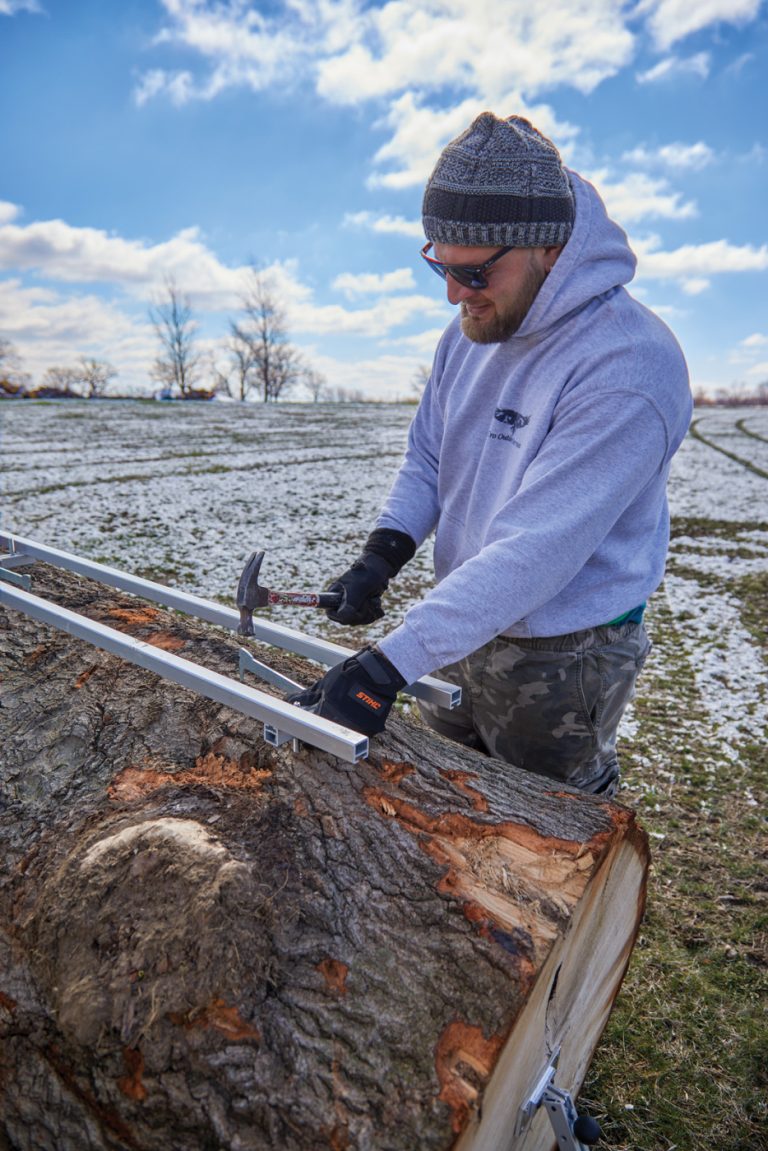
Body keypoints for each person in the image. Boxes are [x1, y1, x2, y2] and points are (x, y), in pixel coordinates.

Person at [289, 112, 692, 797]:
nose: (455, 296)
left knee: (554, 825)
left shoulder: (629, 364)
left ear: (550, 250)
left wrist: (391, 664)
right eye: (440, 268)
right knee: (449, 799)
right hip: (462, 613)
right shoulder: (469, 332)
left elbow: (536, 550)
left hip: (562, 652)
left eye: (474, 273)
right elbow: (428, 455)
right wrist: (381, 556)